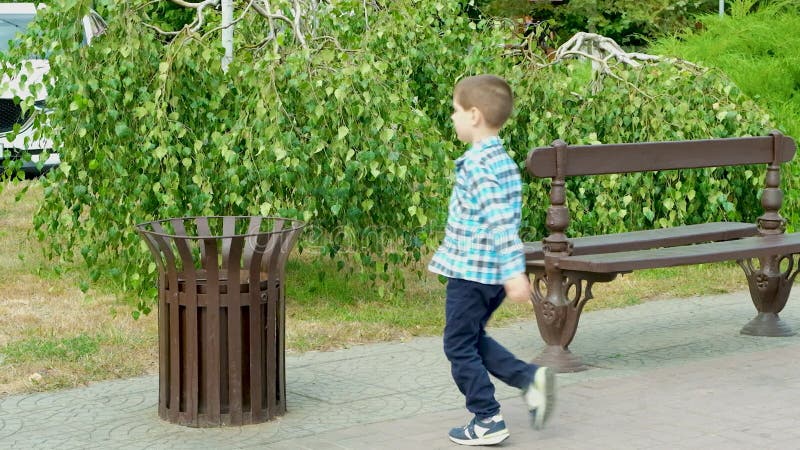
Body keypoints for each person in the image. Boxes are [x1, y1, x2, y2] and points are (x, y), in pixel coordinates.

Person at [428, 74, 556, 446]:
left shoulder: (477, 165)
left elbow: (499, 220)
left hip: (473, 275)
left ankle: (487, 418)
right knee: (469, 338)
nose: (452, 117)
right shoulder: (502, 161)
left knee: (457, 345)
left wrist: (514, 272)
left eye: (455, 110)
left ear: (474, 115)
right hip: (488, 275)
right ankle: (529, 379)